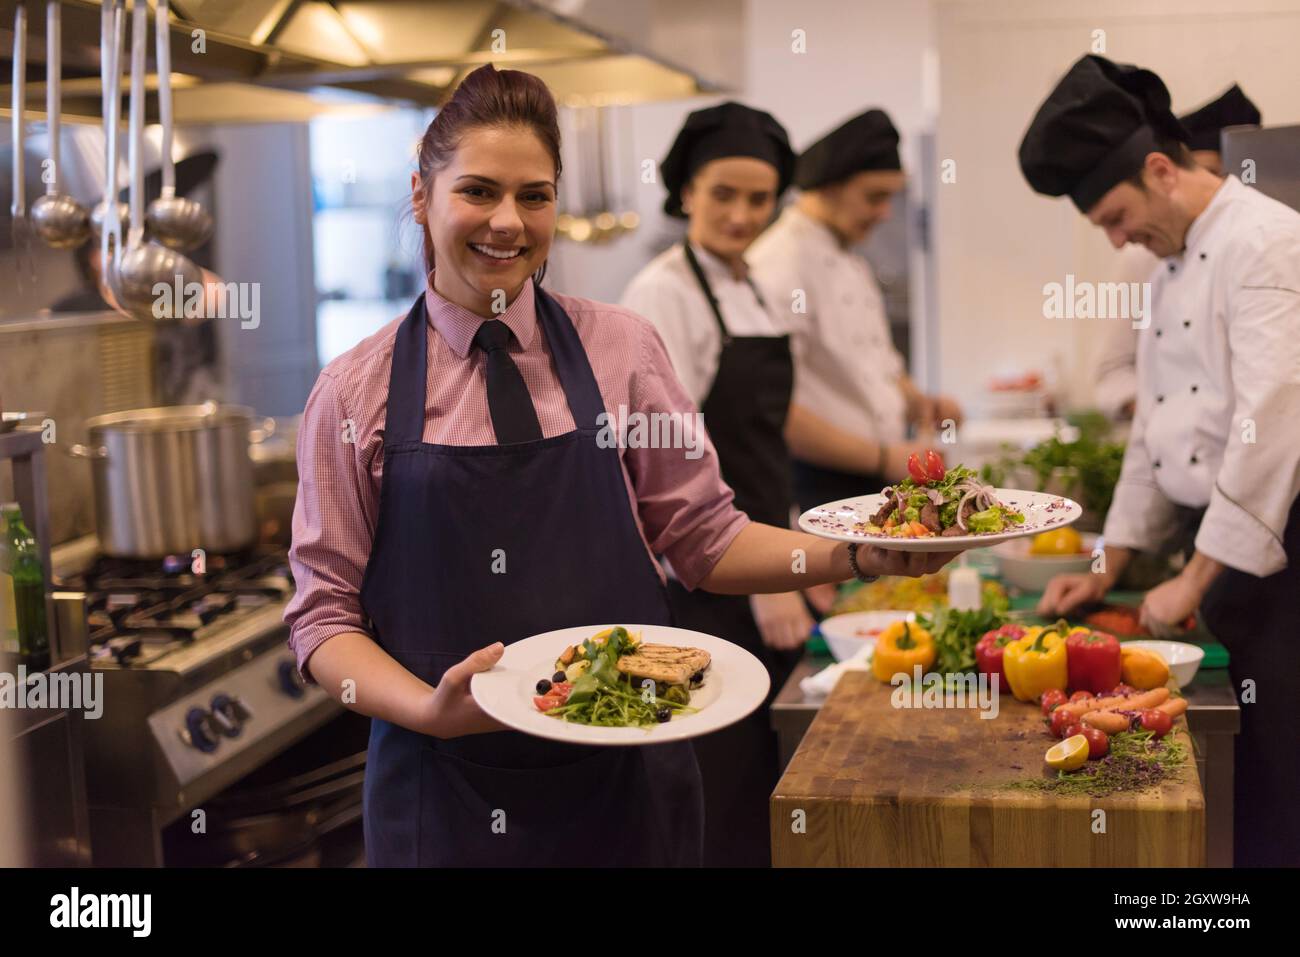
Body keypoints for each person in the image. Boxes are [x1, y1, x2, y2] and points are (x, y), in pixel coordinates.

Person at [284, 64, 961, 867]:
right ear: (422, 196)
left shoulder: (621, 348)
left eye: (534, 195)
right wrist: (427, 710)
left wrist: (855, 553)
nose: (508, 221)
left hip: (628, 774)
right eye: (478, 191)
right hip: (444, 794)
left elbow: (704, 537)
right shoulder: (351, 390)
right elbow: (322, 617)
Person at [1021, 55, 1300, 866]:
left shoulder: (1267, 242)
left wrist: (1197, 575)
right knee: (1238, 777)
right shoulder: (1169, 263)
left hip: (1279, 562)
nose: (1116, 240)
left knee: (1279, 776)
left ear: (1159, 169)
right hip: (1216, 550)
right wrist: (1109, 562)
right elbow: (1155, 430)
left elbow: (1273, 426)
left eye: (1116, 216)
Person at [620, 102, 806, 866]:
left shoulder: (752, 284)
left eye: (759, 199)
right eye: (723, 193)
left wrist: (798, 548)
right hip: (705, 583)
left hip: (766, 563)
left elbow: (761, 437)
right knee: (723, 793)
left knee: (771, 781)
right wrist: (762, 577)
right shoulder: (663, 293)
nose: (740, 213)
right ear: (686, 191)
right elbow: (660, 459)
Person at [748, 109, 963, 515]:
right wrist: (886, 458)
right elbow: (775, 410)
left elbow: (876, 363)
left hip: (871, 473)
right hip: (819, 484)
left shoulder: (850, 258)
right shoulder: (779, 264)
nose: (885, 212)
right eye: (874, 197)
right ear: (828, 187)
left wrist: (920, 402)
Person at [1093, 84, 1262, 421]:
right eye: (1208, 174)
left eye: (1227, 178)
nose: (1216, 190)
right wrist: (1171, 421)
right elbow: (1111, 374)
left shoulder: (1262, 244)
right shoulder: (1145, 255)